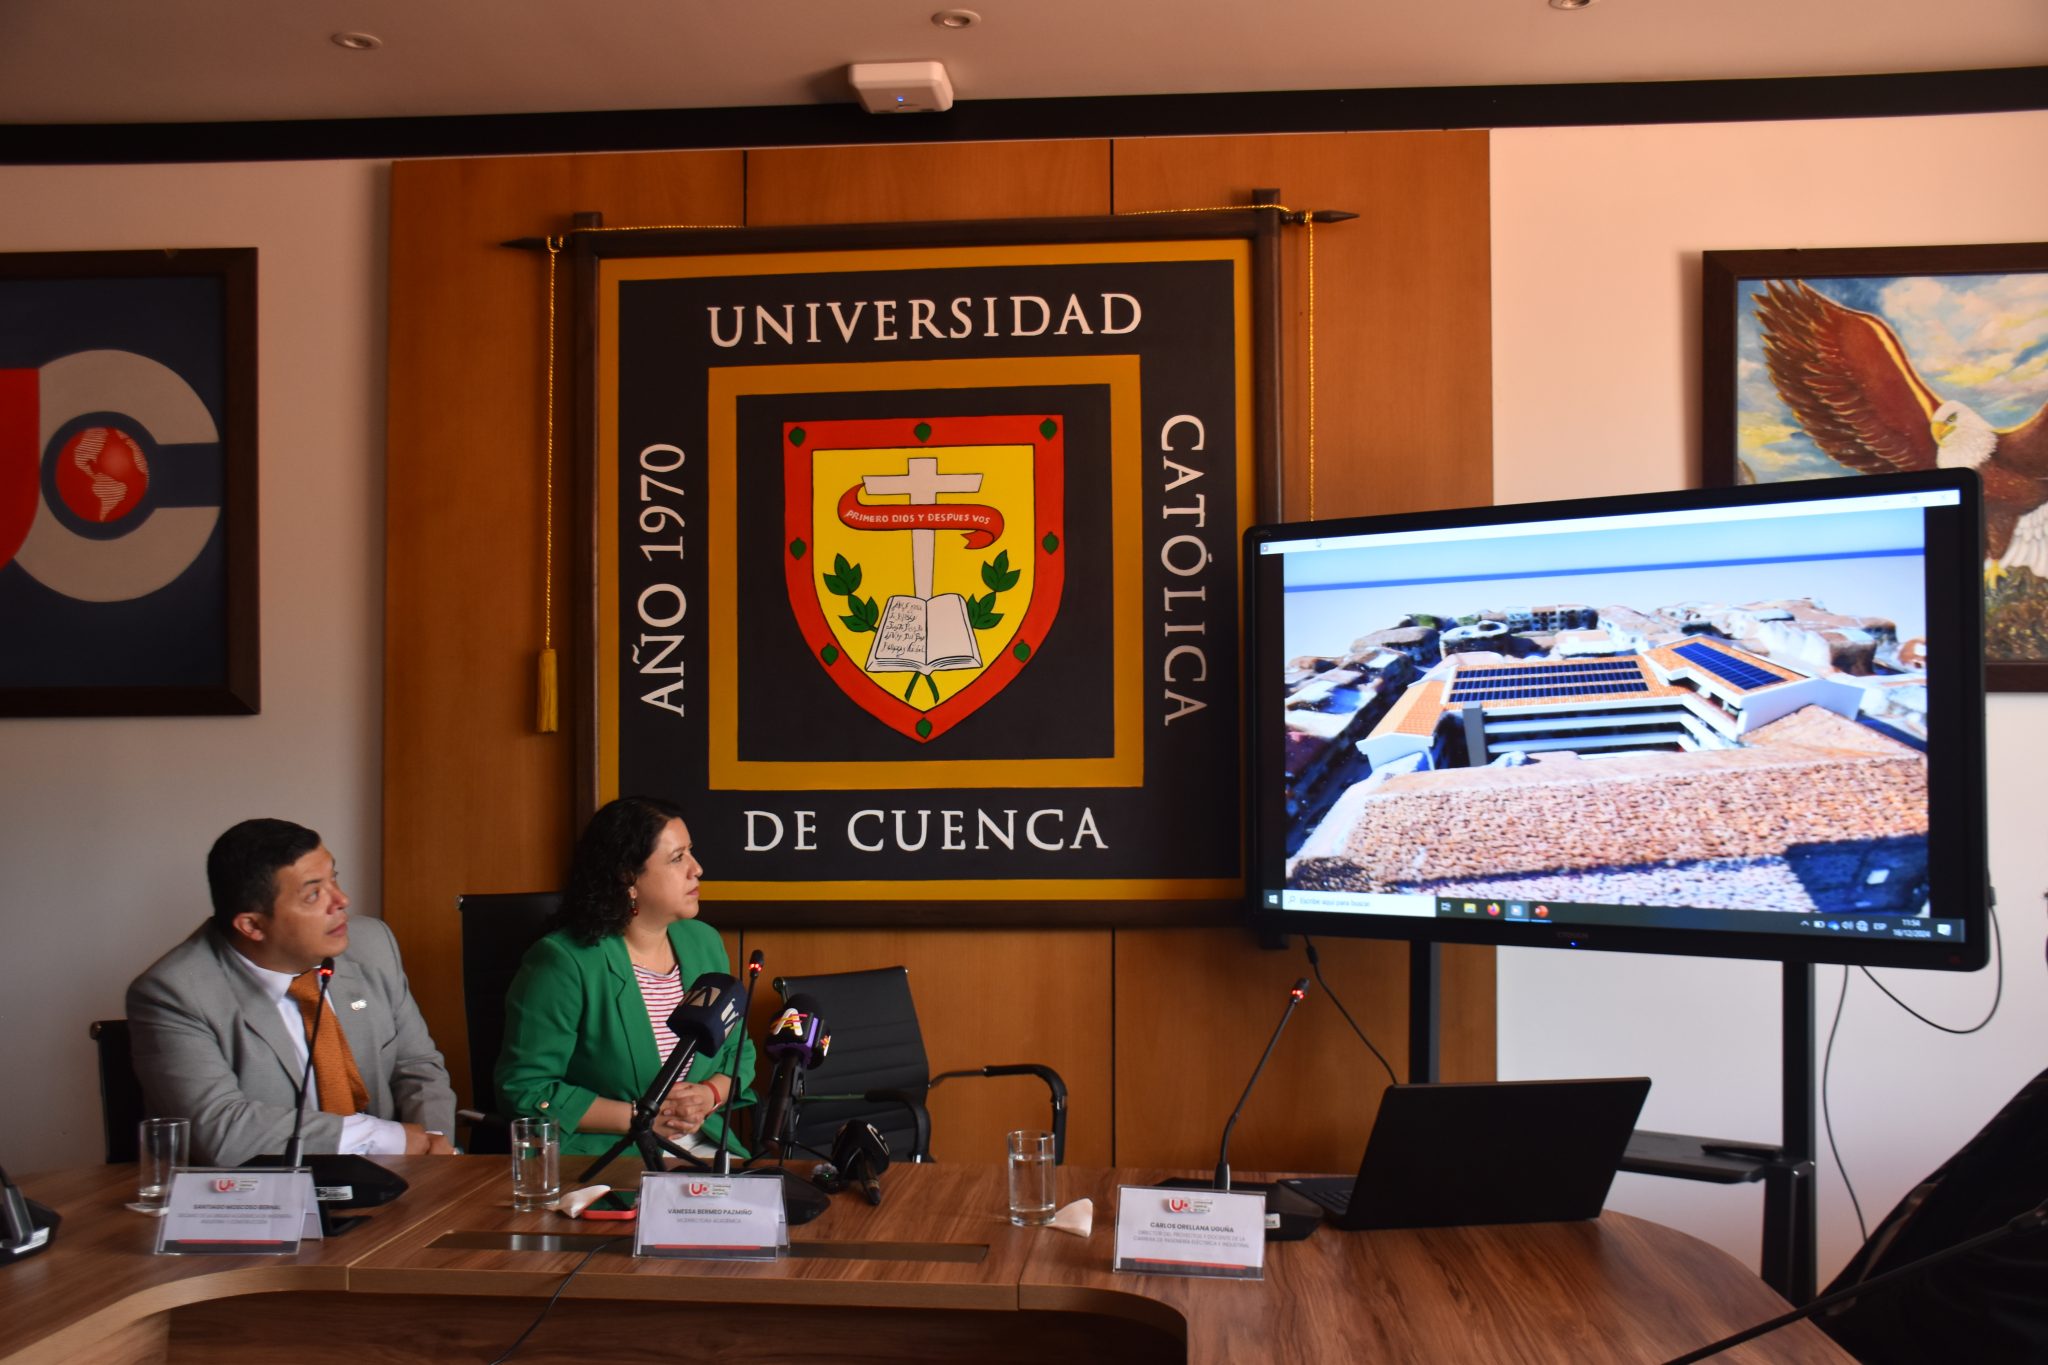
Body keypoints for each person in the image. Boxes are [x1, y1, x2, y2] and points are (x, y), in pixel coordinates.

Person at [126, 818, 457, 1166]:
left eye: (335, 879)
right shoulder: (174, 993)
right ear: (252, 925)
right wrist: (387, 1139)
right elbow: (220, 1129)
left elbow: (417, 1067)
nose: (341, 900)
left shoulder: (371, 945)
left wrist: (433, 1153)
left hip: (399, 1186)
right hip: (256, 1201)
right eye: (314, 893)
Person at [497, 796, 756, 1159]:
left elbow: (738, 1049)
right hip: (613, 1157)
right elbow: (526, 1090)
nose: (696, 869)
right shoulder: (563, 962)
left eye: (691, 853)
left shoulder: (703, 942)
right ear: (628, 876)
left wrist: (709, 1094)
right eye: (677, 858)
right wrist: (640, 1117)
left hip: (707, 1146)